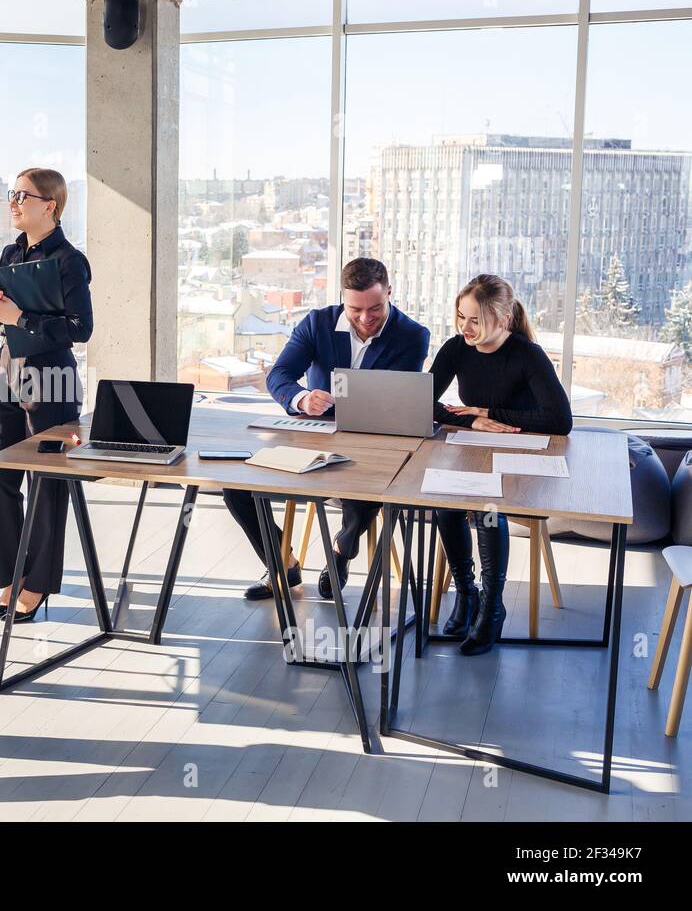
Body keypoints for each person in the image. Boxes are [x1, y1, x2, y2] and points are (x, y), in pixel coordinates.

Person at [223, 258, 430, 601]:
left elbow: (397, 400)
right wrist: (302, 399)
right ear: (343, 299)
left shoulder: (412, 335)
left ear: (389, 294)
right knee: (236, 489)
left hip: (372, 447)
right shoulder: (317, 323)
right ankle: (283, 564)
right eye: (355, 309)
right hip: (312, 440)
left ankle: (341, 550)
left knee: (365, 492)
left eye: (375, 308)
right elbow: (279, 375)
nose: (365, 319)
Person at [430, 274, 572, 655]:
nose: (465, 328)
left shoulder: (527, 355)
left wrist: (489, 410)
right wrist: (470, 420)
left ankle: (492, 606)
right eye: (461, 316)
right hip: (475, 449)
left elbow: (559, 420)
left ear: (504, 318)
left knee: (487, 510)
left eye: (475, 319)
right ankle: (467, 593)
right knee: (446, 503)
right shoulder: (456, 348)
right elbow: (422, 400)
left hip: (523, 457)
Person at [0, 169, 93, 622]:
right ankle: (10, 579)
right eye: (11, 195)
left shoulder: (70, 260)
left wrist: (20, 316)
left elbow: (80, 329)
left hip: (52, 381)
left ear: (50, 204)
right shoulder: (10, 252)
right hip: (8, 374)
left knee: (46, 485)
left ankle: (38, 586)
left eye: (21, 195)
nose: (13, 202)